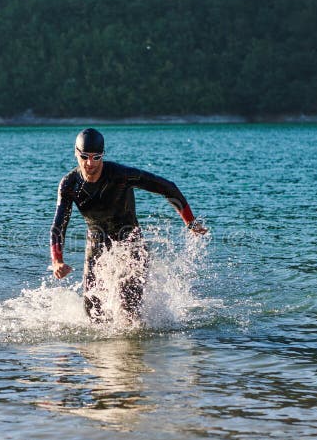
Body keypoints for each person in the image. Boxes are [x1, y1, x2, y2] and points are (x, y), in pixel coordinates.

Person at [50, 128, 207, 322]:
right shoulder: (69, 184)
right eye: (84, 157)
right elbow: (59, 225)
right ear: (76, 153)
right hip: (96, 243)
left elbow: (167, 187)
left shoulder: (121, 175)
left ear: (103, 155)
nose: (89, 163)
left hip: (130, 242)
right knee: (92, 311)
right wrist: (57, 260)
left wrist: (189, 222)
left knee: (129, 309)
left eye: (96, 157)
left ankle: (134, 350)